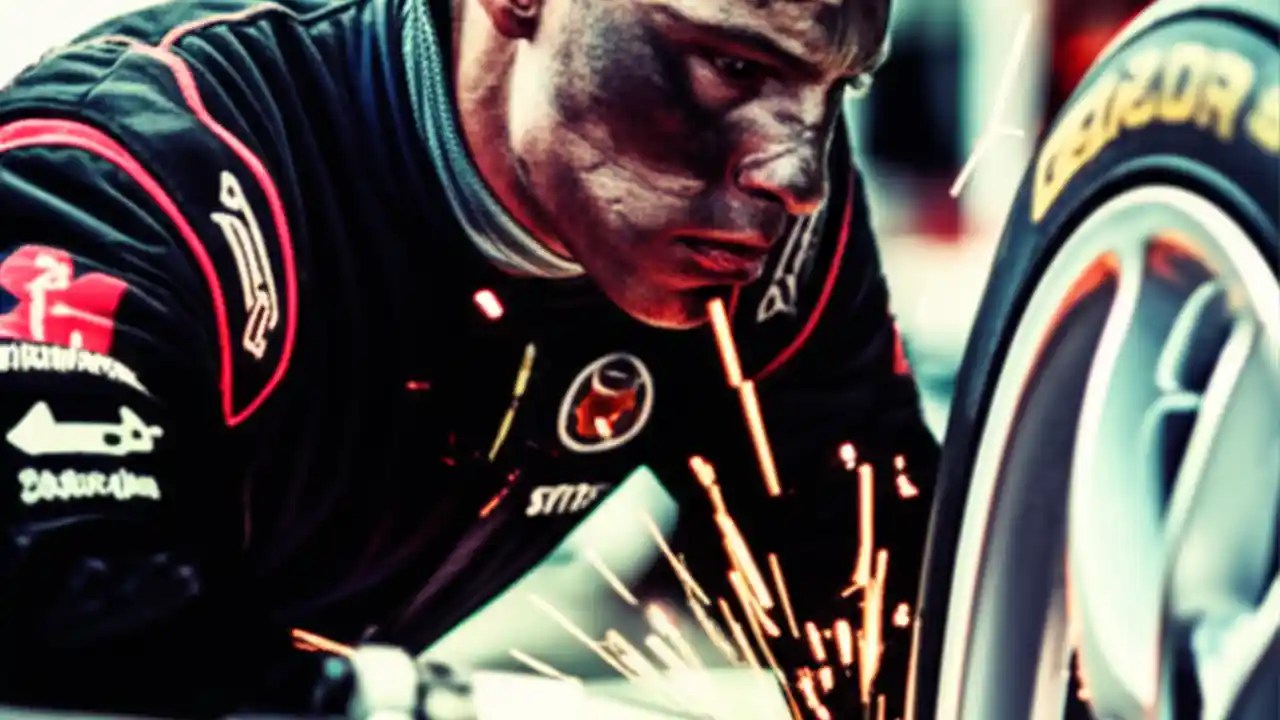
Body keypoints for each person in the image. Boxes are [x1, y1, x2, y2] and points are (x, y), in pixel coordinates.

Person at [0, 0, 938, 717]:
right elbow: (53, 629)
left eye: (837, 89)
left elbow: (897, 609)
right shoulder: (134, 172)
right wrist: (433, 707)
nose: (798, 175)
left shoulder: (763, 231)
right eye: (732, 65)